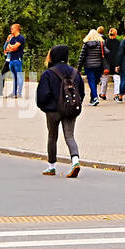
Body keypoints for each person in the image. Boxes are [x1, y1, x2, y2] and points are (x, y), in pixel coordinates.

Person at [36, 44, 82, 177]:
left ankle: (51, 167)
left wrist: (45, 107)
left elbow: (42, 94)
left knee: (52, 137)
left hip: (53, 111)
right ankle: (75, 161)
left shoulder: (49, 73)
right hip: (70, 109)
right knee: (70, 136)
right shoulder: (75, 73)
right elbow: (81, 93)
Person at [78, 28, 105, 106]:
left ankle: (94, 98)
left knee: (91, 82)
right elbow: (104, 54)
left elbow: (82, 57)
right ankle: (93, 98)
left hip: (89, 66)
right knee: (95, 82)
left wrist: (79, 68)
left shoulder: (86, 44)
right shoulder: (101, 44)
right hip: (99, 66)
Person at [98, 27, 120, 100]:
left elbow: (103, 53)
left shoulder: (105, 42)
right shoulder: (118, 43)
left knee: (105, 78)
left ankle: (103, 93)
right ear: (116, 34)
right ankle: (116, 94)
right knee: (117, 78)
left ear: (108, 34)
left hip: (106, 63)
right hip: (116, 62)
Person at [4, 23, 26, 98]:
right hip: (11, 59)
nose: (11, 30)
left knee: (19, 76)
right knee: (14, 77)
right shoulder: (12, 38)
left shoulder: (21, 38)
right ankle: (14, 93)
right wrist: (11, 47)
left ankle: (19, 93)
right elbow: (6, 49)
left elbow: (15, 47)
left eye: (12, 28)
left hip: (17, 59)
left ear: (16, 29)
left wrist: (11, 47)